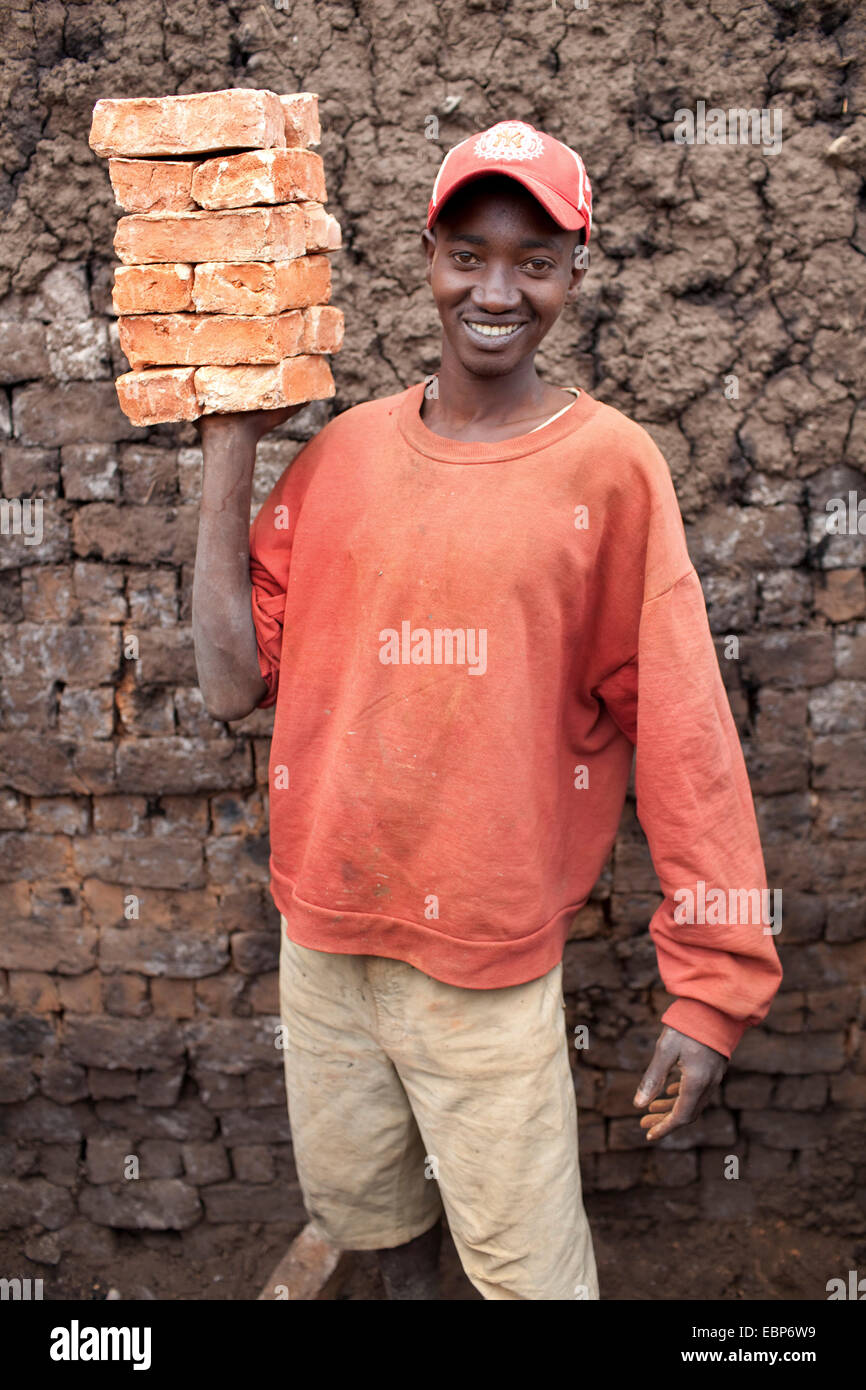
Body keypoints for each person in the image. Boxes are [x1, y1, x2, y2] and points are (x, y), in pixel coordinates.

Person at [191, 121, 783, 1301]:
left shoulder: (610, 473)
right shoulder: (344, 454)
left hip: (487, 975)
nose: (496, 289)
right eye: (468, 253)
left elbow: (683, 735)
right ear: (426, 257)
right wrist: (231, 454)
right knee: (378, 1232)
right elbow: (226, 685)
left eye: (534, 260)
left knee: (524, 1277)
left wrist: (711, 989)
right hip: (323, 944)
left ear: (575, 270)